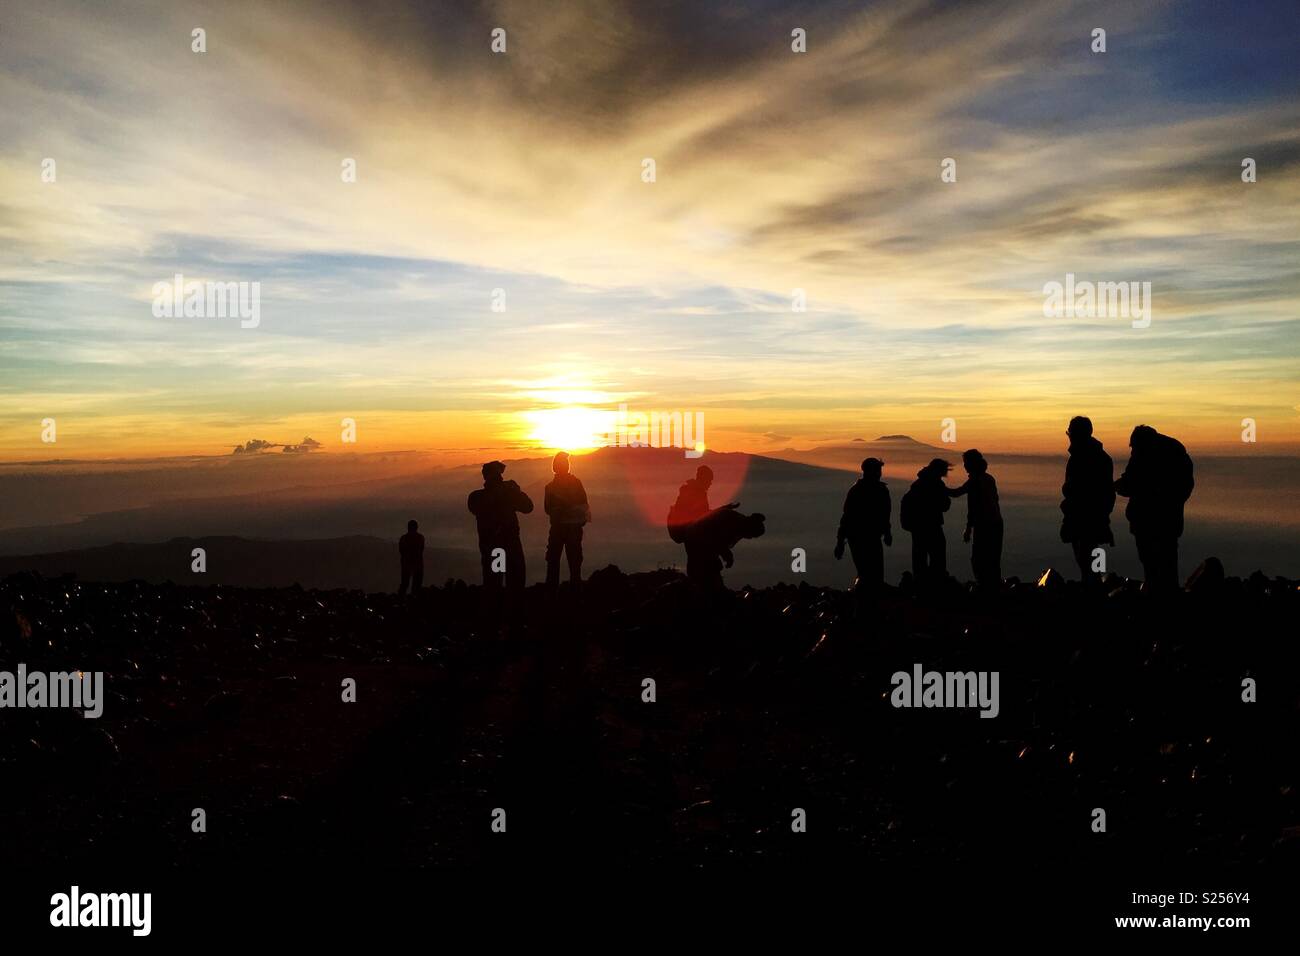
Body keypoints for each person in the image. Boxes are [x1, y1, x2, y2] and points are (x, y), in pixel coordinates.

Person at [1114, 425, 1194, 592]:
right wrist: (1174, 504)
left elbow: (1130, 482)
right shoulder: (1176, 452)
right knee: (1168, 562)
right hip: (1170, 521)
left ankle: (1155, 600)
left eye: (1133, 447)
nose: (1132, 450)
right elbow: (1186, 486)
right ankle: (1168, 597)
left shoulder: (1143, 453)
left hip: (1145, 521)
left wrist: (1115, 487)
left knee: (1150, 563)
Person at [1059, 416, 1115, 588]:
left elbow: (1079, 489)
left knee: (1087, 558)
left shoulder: (1083, 458)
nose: (1069, 436)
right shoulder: (1100, 457)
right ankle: (1095, 590)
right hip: (1092, 517)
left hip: (1085, 517)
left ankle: (1095, 595)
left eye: (1071, 432)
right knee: (1090, 558)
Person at [666, 465, 739, 585]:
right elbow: (702, 519)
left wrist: (723, 509)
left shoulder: (692, 491)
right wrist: (725, 552)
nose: (710, 484)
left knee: (697, 570)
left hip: (691, 537)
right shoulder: (696, 493)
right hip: (696, 538)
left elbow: (703, 515)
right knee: (704, 572)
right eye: (709, 480)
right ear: (703, 479)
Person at [467, 460, 534, 592]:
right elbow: (528, 507)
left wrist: (513, 492)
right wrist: (515, 491)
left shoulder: (477, 497)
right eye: (499, 476)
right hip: (506, 546)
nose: (501, 478)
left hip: (495, 548)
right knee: (511, 582)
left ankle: (496, 609)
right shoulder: (485, 496)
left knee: (495, 583)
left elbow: (528, 507)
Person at [834, 457, 892, 592]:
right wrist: (840, 542)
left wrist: (840, 542)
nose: (879, 473)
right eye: (877, 470)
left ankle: (865, 601)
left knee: (869, 572)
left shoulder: (859, 490)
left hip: (862, 537)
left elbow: (846, 518)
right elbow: (847, 517)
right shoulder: (875, 490)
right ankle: (865, 602)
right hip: (863, 538)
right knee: (869, 573)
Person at [948, 450, 1003, 589]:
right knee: (993, 558)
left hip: (984, 525)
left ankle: (985, 588)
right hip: (996, 523)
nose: (964, 466)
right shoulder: (988, 478)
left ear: (972, 464)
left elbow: (969, 503)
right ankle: (993, 588)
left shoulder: (975, 481)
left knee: (978, 559)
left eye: (966, 463)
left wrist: (968, 529)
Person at [900, 458, 952, 588]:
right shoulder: (936, 484)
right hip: (932, 526)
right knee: (937, 558)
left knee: (919, 559)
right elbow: (944, 505)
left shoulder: (918, 483)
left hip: (917, 528)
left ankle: (921, 587)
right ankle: (936, 587)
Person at [543, 451, 591, 592]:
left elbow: (547, 509)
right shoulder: (575, 483)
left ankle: (552, 594)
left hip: (559, 529)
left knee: (554, 562)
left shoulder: (550, 487)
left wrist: (560, 511)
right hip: (572, 529)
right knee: (573, 562)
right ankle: (574, 592)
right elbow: (584, 504)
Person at [398, 519, 425, 595]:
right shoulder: (420, 538)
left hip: (406, 564)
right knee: (416, 586)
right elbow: (421, 550)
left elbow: (401, 551)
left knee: (405, 584)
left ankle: (401, 600)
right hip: (417, 564)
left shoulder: (403, 538)